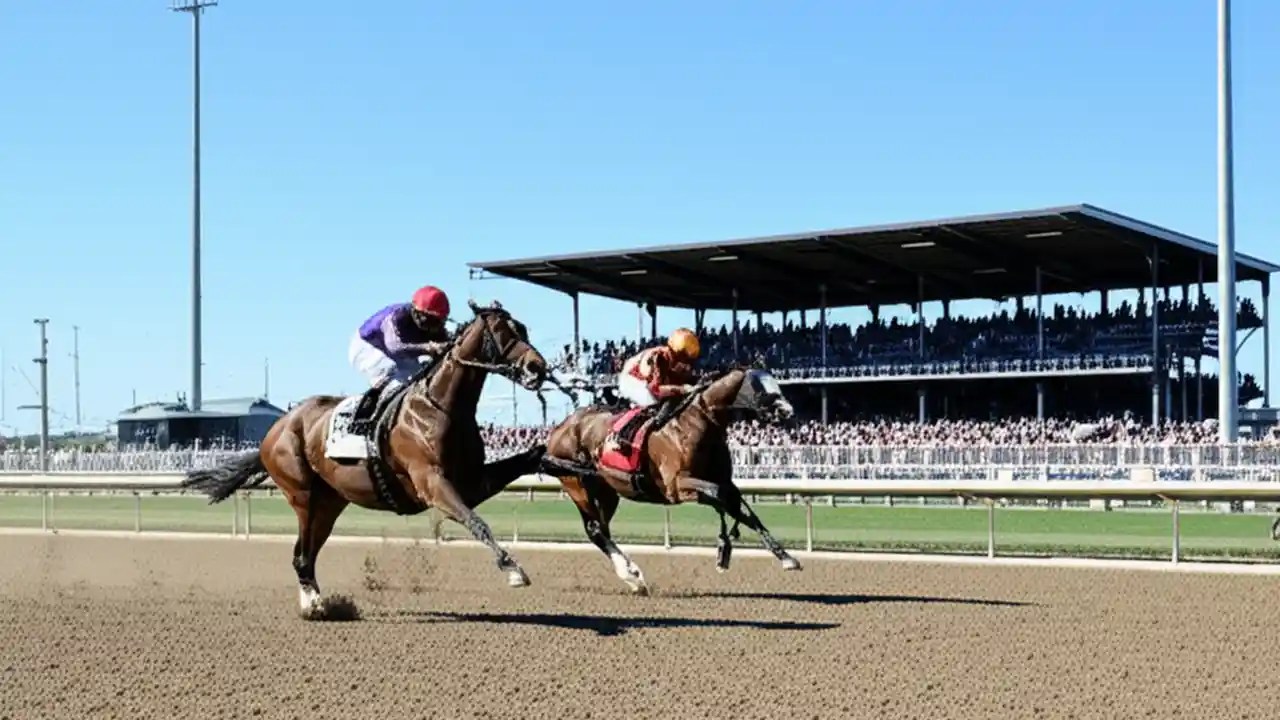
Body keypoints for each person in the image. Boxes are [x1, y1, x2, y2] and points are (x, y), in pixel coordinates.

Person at [346, 286, 452, 431]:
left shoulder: (433, 323)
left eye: (439, 322)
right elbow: (395, 348)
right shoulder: (397, 316)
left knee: (421, 379)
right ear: (417, 312)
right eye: (431, 321)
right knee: (393, 375)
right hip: (368, 347)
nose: (434, 328)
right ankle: (366, 422)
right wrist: (428, 348)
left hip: (397, 352)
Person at [610, 328, 701, 451]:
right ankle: (620, 435)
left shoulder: (676, 359)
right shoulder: (658, 357)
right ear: (673, 352)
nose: (686, 365)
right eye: (682, 360)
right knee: (653, 400)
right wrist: (683, 389)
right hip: (633, 380)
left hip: (652, 382)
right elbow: (656, 390)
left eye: (688, 361)